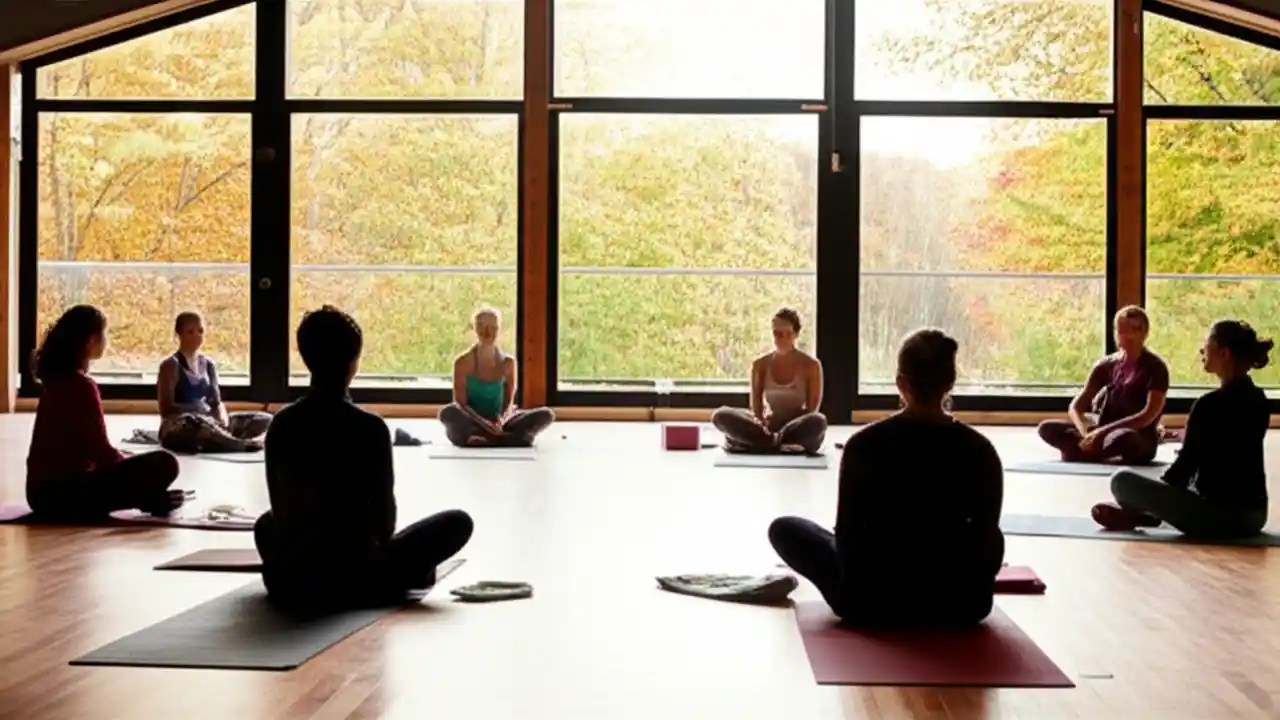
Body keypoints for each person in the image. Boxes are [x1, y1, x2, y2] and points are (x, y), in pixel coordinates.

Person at [768, 328, 1004, 626]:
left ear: (901, 383)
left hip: (869, 601)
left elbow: (848, 538)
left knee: (785, 529)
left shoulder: (864, 445)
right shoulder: (980, 450)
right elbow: (988, 541)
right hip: (960, 605)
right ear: (950, 382)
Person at [254, 305, 473, 609]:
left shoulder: (282, 424)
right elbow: (385, 525)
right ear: (354, 361)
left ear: (306, 358)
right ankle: (381, 582)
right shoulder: (369, 427)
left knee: (265, 525)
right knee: (458, 522)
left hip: (294, 575)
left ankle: (314, 581)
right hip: (359, 571)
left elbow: (281, 513)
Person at [1094, 320, 1271, 537]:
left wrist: (1150, 496)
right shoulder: (1259, 399)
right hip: (1255, 517)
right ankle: (1141, 515)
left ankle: (1142, 514)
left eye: (1206, 343)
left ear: (1224, 353)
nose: (1201, 350)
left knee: (1121, 481)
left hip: (1215, 516)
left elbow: (1182, 471)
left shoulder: (1208, 405)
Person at [26, 305, 184, 520]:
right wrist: (133, 472)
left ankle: (147, 499)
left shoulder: (56, 381)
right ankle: (147, 499)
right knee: (164, 464)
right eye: (104, 334)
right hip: (62, 495)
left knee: (133, 465)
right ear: (91, 340)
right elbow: (100, 452)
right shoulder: (81, 386)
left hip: (39, 495)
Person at [1038, 306, 1169, 465]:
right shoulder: (1106, 364)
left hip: (1134, 434)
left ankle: (1085, 452)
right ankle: (1093, 450)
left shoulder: (1156, 367)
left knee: (1124, 438)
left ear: (1144, 333)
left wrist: (1103, 432)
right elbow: (1076, 406)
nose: (1126, 335)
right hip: (1102, 432)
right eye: (1120, 330)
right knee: (1046, 428)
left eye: (1133, 330)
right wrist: (1086, 431)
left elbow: (1148, 414)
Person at [711, 308, 827, 455]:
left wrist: (799, 427)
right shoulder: (760, 365)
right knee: (720, 415)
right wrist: (761, 424)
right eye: (777, 333)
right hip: (767, 427)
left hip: (795, 428)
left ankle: (761, 444)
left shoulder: (811, 365)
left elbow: (812, 411)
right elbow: (756, 408)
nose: (782, 338)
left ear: (796, 334)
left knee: (818, 421)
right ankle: (777, 444)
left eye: (787, 333)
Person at [157, 312, 271, 454]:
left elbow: (216, 402)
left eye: (200, 331)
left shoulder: (208, 364)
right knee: (198, 424)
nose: (197, 336)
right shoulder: (170, 365)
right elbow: (166, 408)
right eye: (190, 332)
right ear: (179, 334)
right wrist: (197, 409)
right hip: (183, 426)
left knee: (265, 419)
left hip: (209, 422)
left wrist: (222, 417)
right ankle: (238, 445)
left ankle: (224, 440)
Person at [439, 308, 554, 447]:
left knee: (546, 414)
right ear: (475, 329)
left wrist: (500, 421)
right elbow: (461, 404)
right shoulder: (462, 363)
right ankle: (506, 438)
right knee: (448, 412)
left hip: (499, 423)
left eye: (492, 327)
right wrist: (485, 424)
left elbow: (508, 403)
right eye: (482, 326)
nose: (487, 332)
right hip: (472, 421)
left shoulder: (508, 363)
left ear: (498, 329)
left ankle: (483, 439)